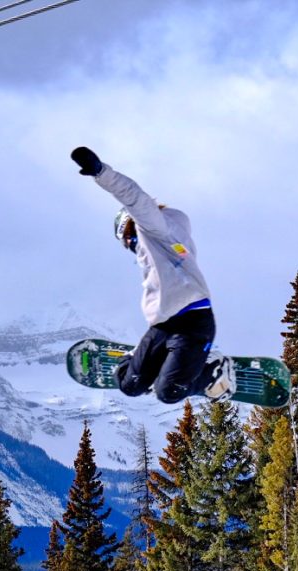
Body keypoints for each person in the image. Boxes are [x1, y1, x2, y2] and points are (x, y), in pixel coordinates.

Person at [70, 145, 234, 403]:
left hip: (193, 322)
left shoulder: (153, 227)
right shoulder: (172, 244)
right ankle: (146, 365)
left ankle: (212, 371)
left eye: (129, 241)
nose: (131, 246)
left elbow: (136, 199)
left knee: (168, 393)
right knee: (129, 386)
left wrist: (101, 173)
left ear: (130, 228)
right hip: (163, 325)